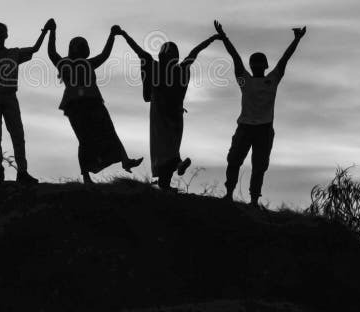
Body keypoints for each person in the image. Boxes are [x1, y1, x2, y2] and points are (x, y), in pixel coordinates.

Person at [214, 21, 306, 206]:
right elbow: (235, 57)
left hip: (263, 129)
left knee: (259, 166)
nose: (256, 64)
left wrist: (296, 40)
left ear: (264, 65)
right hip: (246, 127)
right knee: (234, 161)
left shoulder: (272, 79)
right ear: (253, 65)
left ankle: (254, 199)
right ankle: (230, 194)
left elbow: (284, 59)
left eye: (258, 62)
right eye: (254, 62)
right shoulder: (245, 80)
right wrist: (224, 37)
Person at [117, 27, 219, 191]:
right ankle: (169, 178)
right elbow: (194, 53)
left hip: (160, 116)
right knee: (171, 148)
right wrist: (211, 39)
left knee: (162, 150)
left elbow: (139, 52)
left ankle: (173, 170)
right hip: (177, 116)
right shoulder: (181, 69)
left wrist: (124, 35)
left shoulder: (156, 68)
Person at [45, 19, 143, 184]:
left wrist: (112, 36)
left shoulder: (80, 63)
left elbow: (104, 55)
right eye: (80, 45)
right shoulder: (68, 63)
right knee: (86, 139)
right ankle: (86, 176)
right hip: (78, 105)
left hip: (91, 103)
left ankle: (124, 160)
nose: (82, 48)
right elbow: (52, 53)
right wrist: (52, 31)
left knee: (107, 132)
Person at [0, 0, 47, 185]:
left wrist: (45, 31)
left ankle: (22, 171)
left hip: (9, 97)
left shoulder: (14, 53)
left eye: (1, 31)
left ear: (6, 35)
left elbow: (36, 48)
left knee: (17, 135)